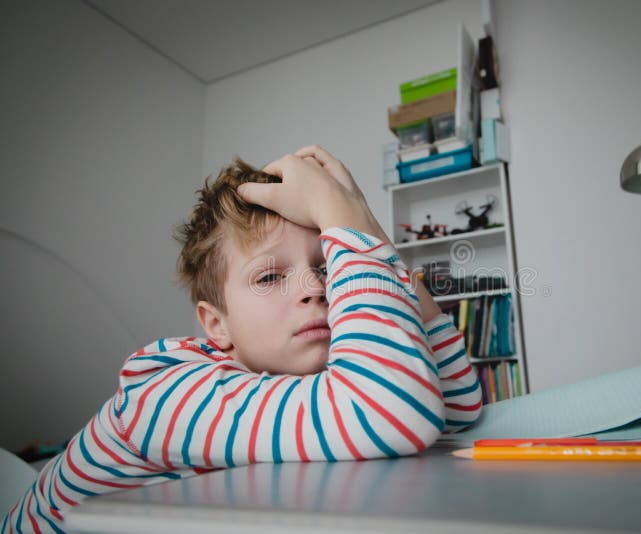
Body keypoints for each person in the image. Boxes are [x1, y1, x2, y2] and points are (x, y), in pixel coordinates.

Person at [2, 146, 482, 533]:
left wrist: (364, 226)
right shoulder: (168, 395)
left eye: (326, 266)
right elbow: (396, 411)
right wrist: (339, 211)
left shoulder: (312, 388)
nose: (316, 288)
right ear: (216, 325)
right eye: (271, 277)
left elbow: (457, 408)